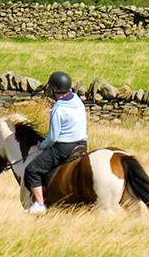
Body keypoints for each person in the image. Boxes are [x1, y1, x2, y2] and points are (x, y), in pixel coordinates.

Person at [24, 71, 88, 215]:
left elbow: (53, 137)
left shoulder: (58, 109)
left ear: (54, 90)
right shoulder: (77, 100)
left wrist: (43, 145)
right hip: (82, 144)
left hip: (64, 147)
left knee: (32, 170)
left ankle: (40, 204)